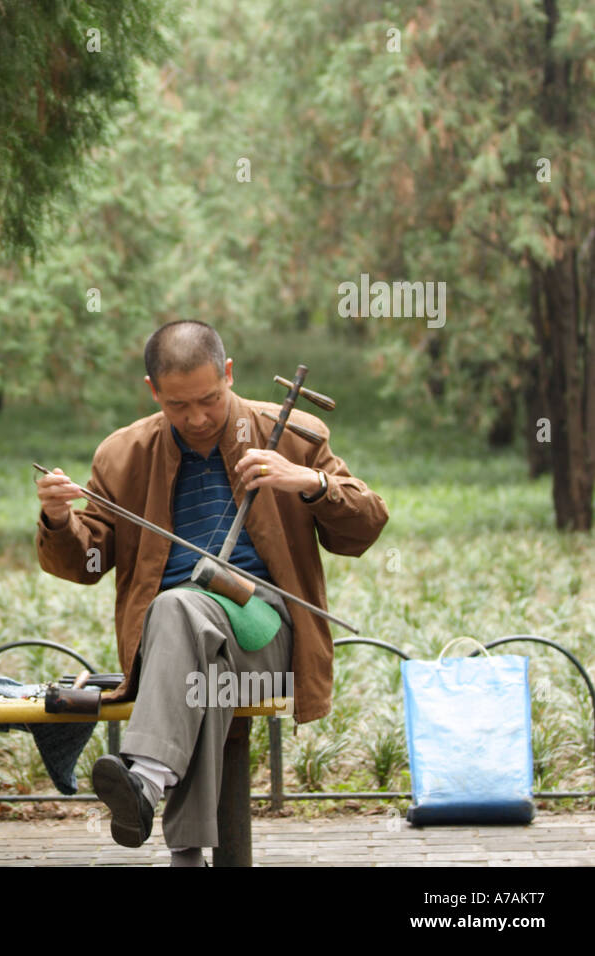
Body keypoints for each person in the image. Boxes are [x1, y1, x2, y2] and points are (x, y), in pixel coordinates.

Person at [34, 320, 387, 866]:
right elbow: (89, 562)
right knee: (204, 675)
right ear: (153, 390)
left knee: (178, 605)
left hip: (265, 634)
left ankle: (146, 778)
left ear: (228, 374)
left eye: (209, 399)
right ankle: (184, 848)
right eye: (179, 406)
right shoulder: (123, 454)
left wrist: (309, 483)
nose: (197, 418)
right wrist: (59, 520)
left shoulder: (291, 434)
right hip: (180, 654)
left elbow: (364, 528)